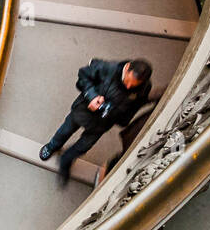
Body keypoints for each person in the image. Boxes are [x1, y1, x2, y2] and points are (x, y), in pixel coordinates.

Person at [40, 58, 153, 186]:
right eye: (128, 81)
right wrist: (92, 96)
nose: (128, 87)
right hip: (83, 111)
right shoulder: (107, 68)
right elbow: (83, 76)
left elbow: (130, 112)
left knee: (84, 146)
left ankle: (66, 159)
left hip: (103, 123)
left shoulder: (144, 89)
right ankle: (52, 146)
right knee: (65, 131)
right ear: (127, 68)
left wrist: (114, 112)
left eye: (134, 85)